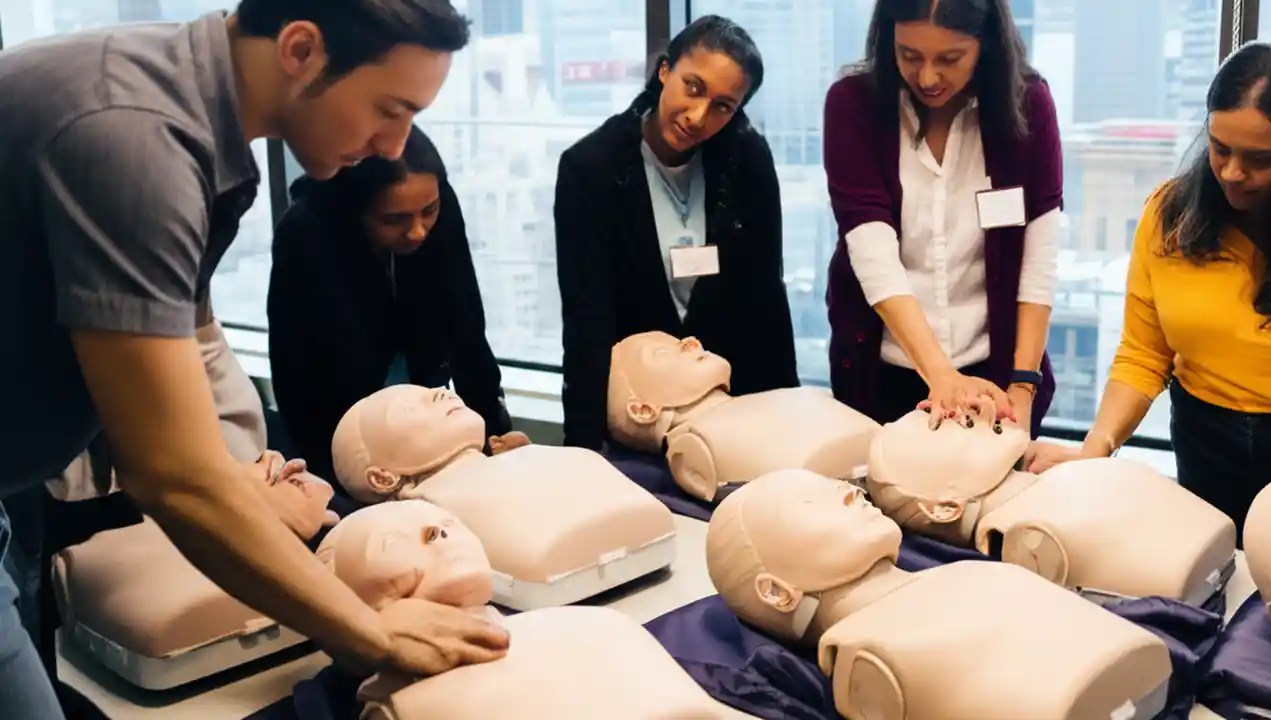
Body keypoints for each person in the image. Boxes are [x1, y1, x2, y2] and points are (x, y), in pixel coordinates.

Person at [0, 2, 510, 715]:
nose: (396, 147)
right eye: (389, 109)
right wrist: (370, 633)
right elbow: (173, 476)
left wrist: (236, 477)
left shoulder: (196, 129)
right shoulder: (137, 143)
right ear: (301, 49)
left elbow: (172, 364)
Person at [1026, 42, 1271, 545]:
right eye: (1220, 148)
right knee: (1212, 583)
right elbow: (1144, 353)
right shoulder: (1170, 216)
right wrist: (1092, 452)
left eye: (1259, 160)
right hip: (1206, 436)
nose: (1231, 172)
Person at [555, 15, 799, 452]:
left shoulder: (747, 161)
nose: (698, 116)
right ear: (665, 70)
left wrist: (784, 421)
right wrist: (583, 449)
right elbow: (586, 320)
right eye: (693, 86)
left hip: (731, 409)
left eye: (723, 106)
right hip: (639, 415)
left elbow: (766, 300)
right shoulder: (590, 168)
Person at [823, 0, 1062, 435]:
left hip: (999, 379)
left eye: (949, 59)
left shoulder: (1028, 105)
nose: (928, 77)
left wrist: (1022, 390)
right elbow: (871, 251)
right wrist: (942, 378)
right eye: (909, 55)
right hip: (884, 372)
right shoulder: (853, 105)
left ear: (986, 44)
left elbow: (1039, 260)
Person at [269, 125, 529, 487]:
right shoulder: (306, 236)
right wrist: (332, 476)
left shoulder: (435, 203)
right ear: (354, 209)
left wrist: (492, 434)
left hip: (421, 390)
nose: (418, 231)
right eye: (394, 220)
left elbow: (464, 319)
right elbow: (295, 371)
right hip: (340, 407)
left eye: (429, 211)